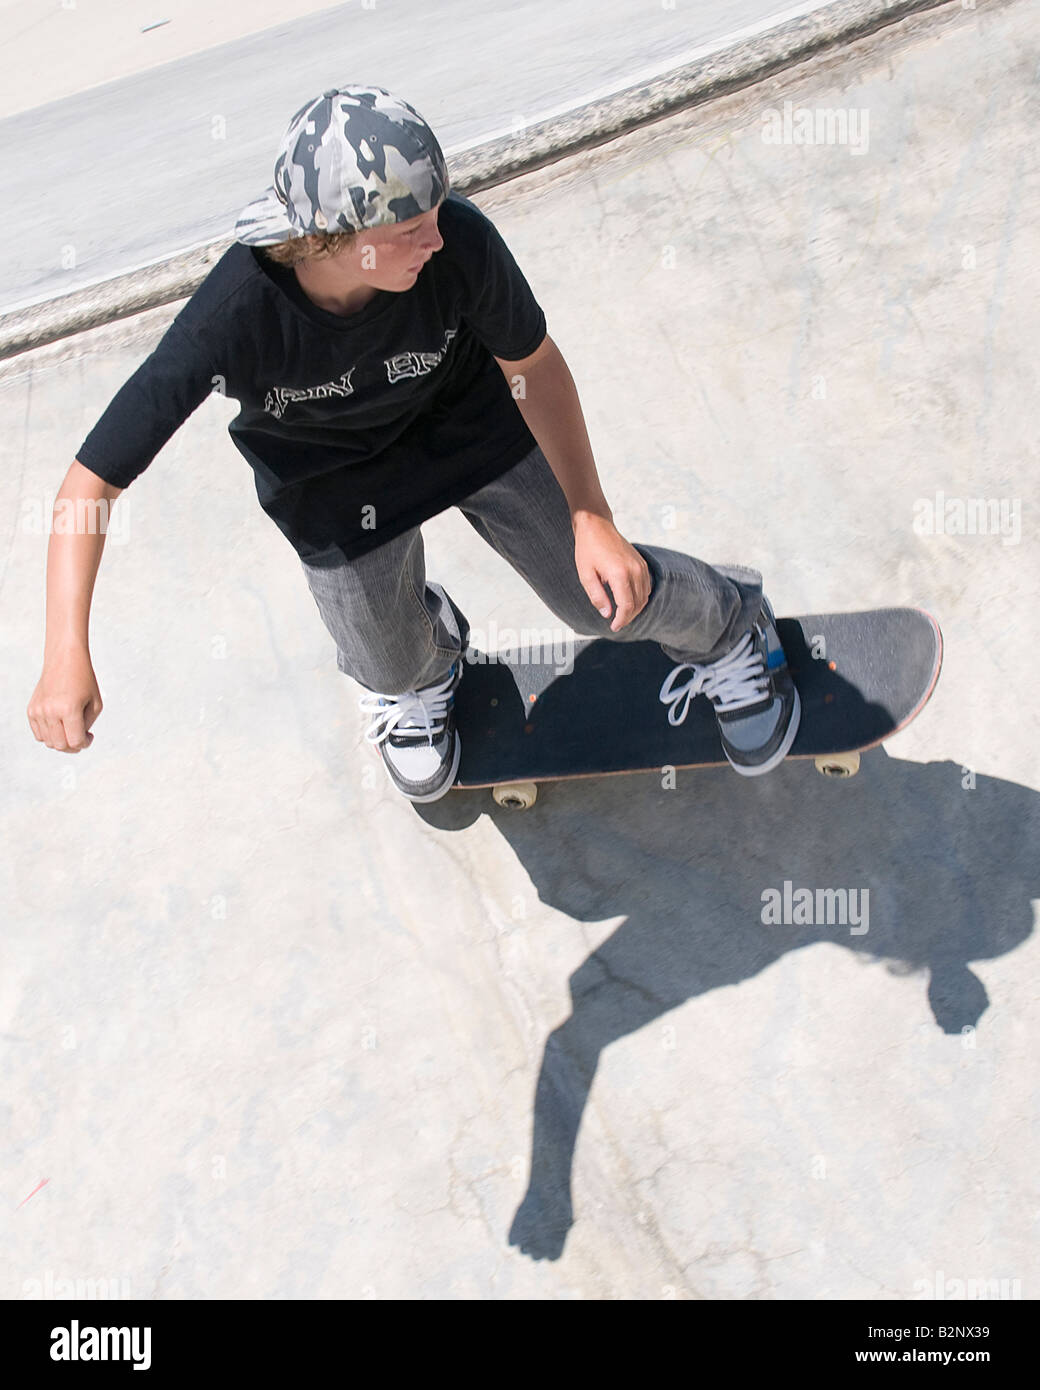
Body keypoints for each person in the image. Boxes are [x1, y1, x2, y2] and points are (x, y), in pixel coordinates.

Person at [27, 84, 799, 801]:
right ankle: (427, 653)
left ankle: (731, 623)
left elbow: (532, 366)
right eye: (409, 229)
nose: (437, 236)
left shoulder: (459, 242)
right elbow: (89, 485)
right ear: (328, 239)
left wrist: (589, 515)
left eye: (435, 211)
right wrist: (67, 648)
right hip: (330, 481)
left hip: (468, 425)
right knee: (387, 664)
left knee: (599, 602)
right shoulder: (234, 315)